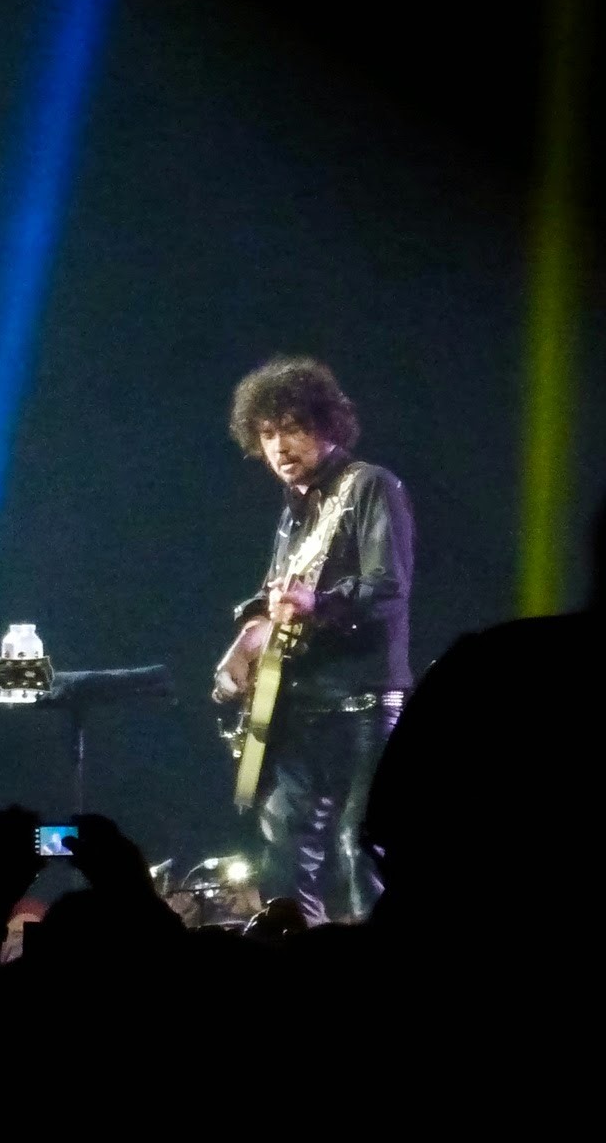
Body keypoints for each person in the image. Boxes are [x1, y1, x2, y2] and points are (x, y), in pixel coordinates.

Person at [213, 356, 412, 924]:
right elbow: (273, 597)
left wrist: (318, 604)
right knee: (281, 858)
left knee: (360, 850)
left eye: (293, 428)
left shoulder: (370, 486)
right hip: (298, 706)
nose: (279, 447)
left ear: (328, 426)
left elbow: (388, 588)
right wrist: (245, 642)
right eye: (267, 434)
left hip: (365, 705)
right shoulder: (293, 512)